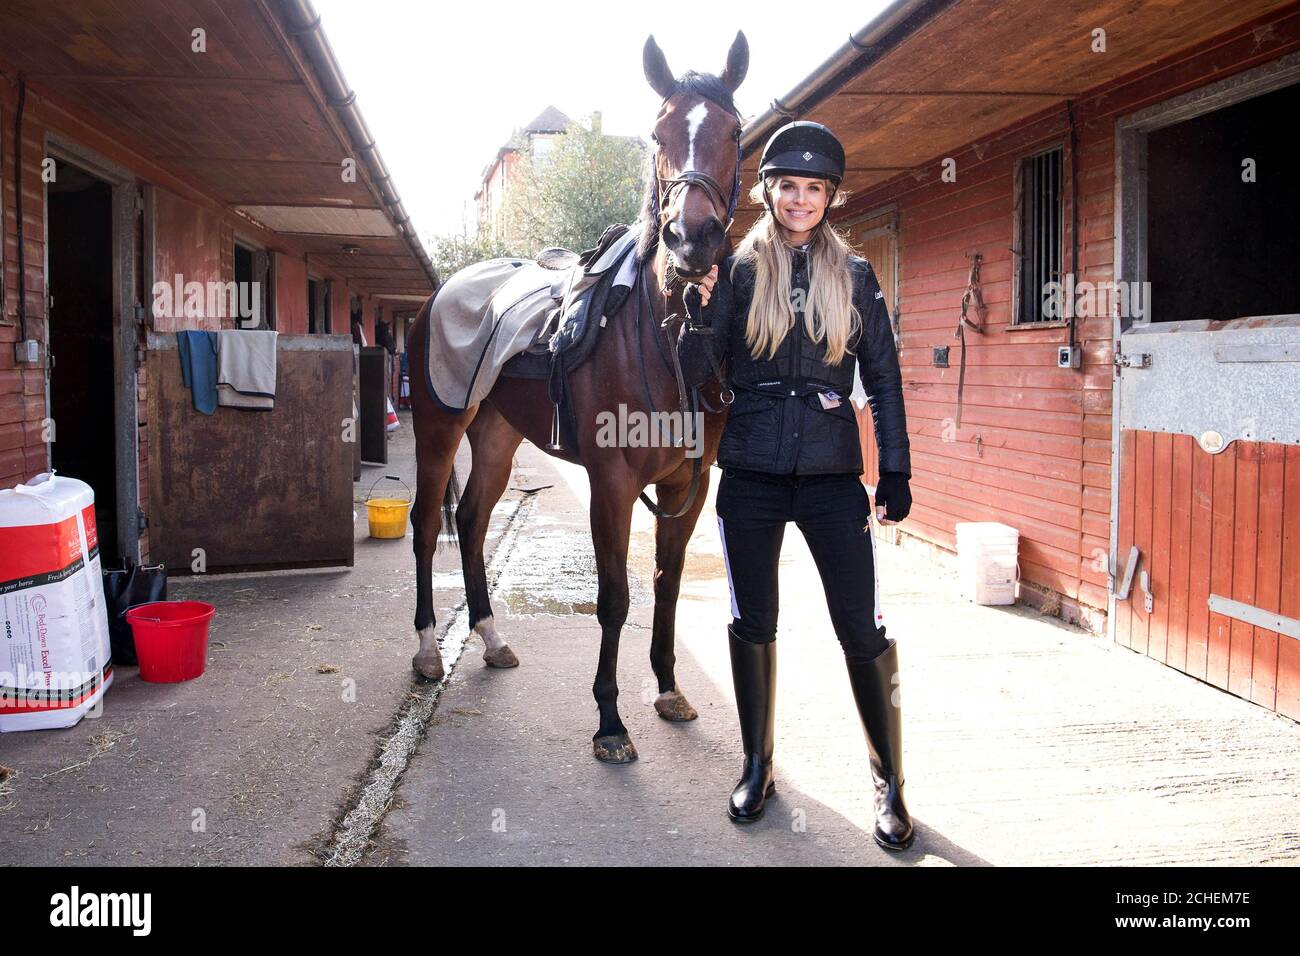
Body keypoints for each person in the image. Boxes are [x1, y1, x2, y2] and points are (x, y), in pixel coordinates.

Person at [678, 120, 914, 849]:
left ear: (829, 198)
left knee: (861, 629)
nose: (801, 199)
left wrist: (896, 465)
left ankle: (890, 783)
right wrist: (698, 310)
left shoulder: (859, 276)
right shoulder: (737, 270)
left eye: (814, 189)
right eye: (789, 187)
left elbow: (883, 376)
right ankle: (757, 765)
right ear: (769, 193)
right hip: (749, 473)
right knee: (754, 622)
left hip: (831, 478)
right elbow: (696, 375)